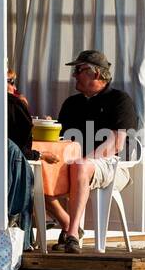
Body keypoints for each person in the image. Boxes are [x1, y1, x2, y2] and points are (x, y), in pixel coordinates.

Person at [44, 49, 139, 254]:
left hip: (113, 165)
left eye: (79, 70)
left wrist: (85, 160)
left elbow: (116, 143)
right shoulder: (72, 103)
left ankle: (70, 236)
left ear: (96, 73)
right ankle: (71, 226)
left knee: (80, 166)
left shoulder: (119, 100)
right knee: (35, 174)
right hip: (76, 164)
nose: (74, 75)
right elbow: (64, 141)